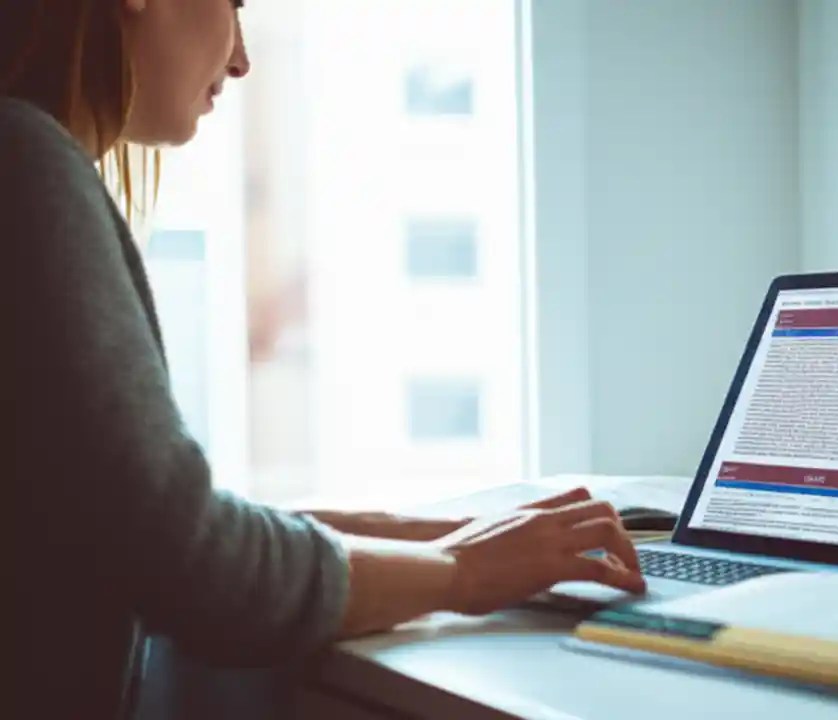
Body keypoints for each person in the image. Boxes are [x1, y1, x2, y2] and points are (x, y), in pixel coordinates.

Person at [2, 2, 645, 718]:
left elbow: (145, 521)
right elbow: (191, 563)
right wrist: (462, 573)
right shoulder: (23, 161)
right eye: (235, 4)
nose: (242, 57)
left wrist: (433, 536)